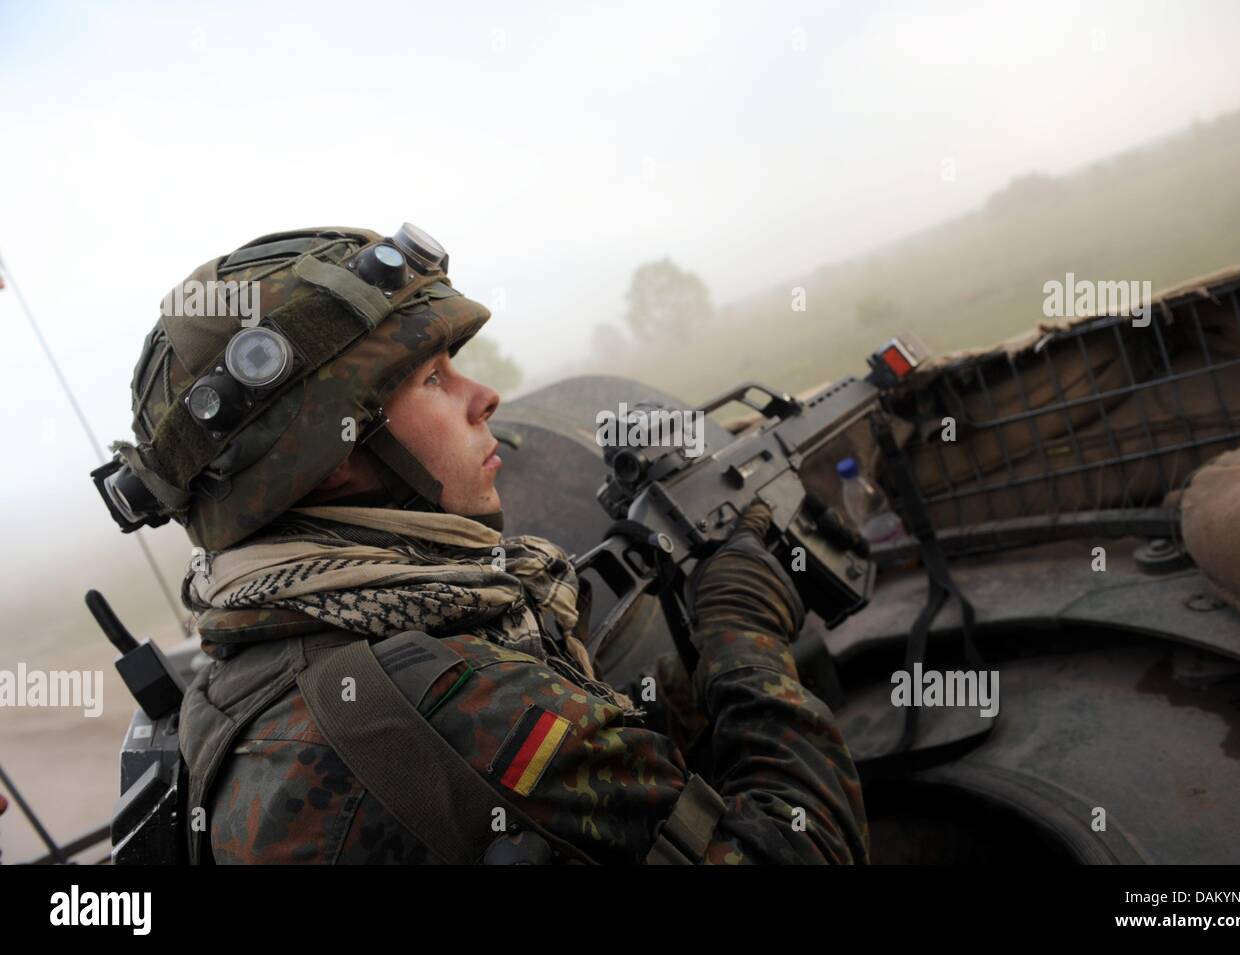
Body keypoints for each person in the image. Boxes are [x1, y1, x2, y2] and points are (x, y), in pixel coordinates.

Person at [106, 224, 869, 864]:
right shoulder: (459, 700)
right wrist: (743, 635)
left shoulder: (228, 684)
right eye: (433, 379)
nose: (484, 396)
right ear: (331, 451)